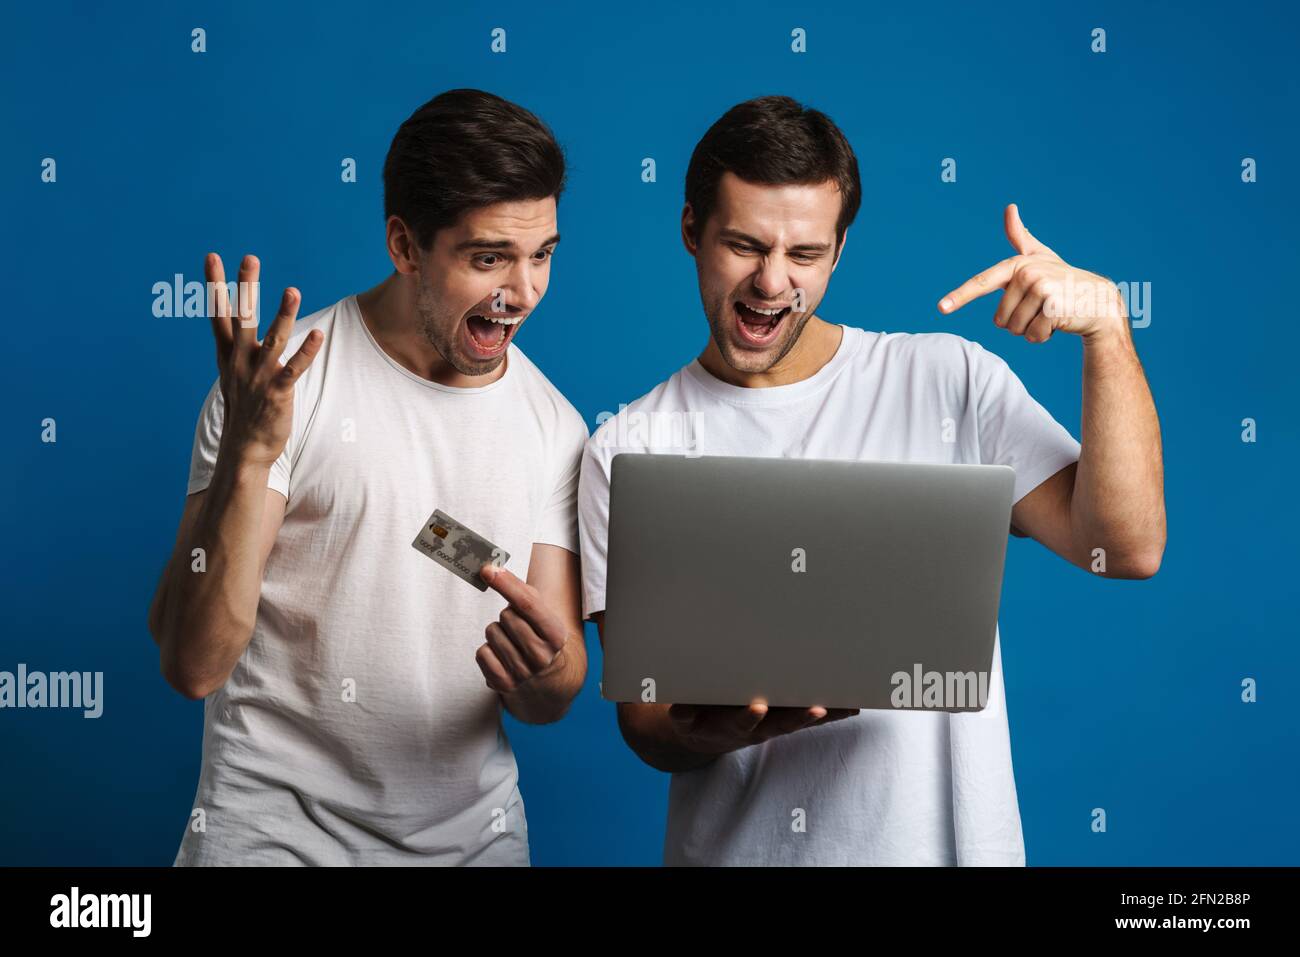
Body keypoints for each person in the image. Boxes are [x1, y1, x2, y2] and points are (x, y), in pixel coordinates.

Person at [578, 95, 1166, 866]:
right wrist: (719, 728)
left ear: (840, 249)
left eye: (805, 254)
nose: (771, 282)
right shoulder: (628, 446)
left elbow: (1125, 547)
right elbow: (645, 723)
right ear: (692, 231)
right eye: (744, 245)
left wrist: (1107, 330)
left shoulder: (950, 379)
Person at [149, 89, 589, 865]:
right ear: (405, 244)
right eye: (489, 257)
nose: (522, 292)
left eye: (542, 254)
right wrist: (249, 458)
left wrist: (546, 671)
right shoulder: (284, 390)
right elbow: (193, 663)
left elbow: (552, 694)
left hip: (473, 843)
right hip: (273, 839)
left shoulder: (555, 428)